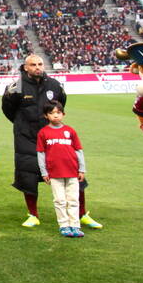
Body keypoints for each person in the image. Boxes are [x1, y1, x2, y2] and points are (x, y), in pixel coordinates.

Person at [1, 53, 99, 230]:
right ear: (25, 67)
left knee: (72, 172)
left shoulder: (54, 85)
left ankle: (82, 214)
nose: (37, 67)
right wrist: (24, 125)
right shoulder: (16, 87)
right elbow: (8, 109)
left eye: (40, 64)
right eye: (33, 65)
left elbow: (60, 105)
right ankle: (33, 215)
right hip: (27, 137)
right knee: (28, 175)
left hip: (54, 136)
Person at [35, 102, 87, 238]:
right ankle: (64, 226)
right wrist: (44, 172)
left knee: (73, 199)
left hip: (72, 171)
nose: (55, 116)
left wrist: (82, 169)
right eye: (52, 113)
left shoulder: (70, 131)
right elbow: (41, 154)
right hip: (55, 172)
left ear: (63, 114)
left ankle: (75, 226)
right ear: (46, 116)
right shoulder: (43, 132)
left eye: (58, 112)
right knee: (60, 200)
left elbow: (78, 150)